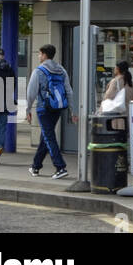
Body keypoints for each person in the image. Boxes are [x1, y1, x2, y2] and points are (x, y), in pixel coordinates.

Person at [25, 44, 77, 179]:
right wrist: (72, 110)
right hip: (58, 108)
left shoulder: (39, 71)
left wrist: (28, 109)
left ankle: (60, 167)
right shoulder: (61, 70)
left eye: (39, 54)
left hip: (44, 108)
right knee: (46, 136)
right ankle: (35, 166)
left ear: (44, 55)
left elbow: (31, 93)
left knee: (49, 137)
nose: (38, 56)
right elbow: (69, 91)